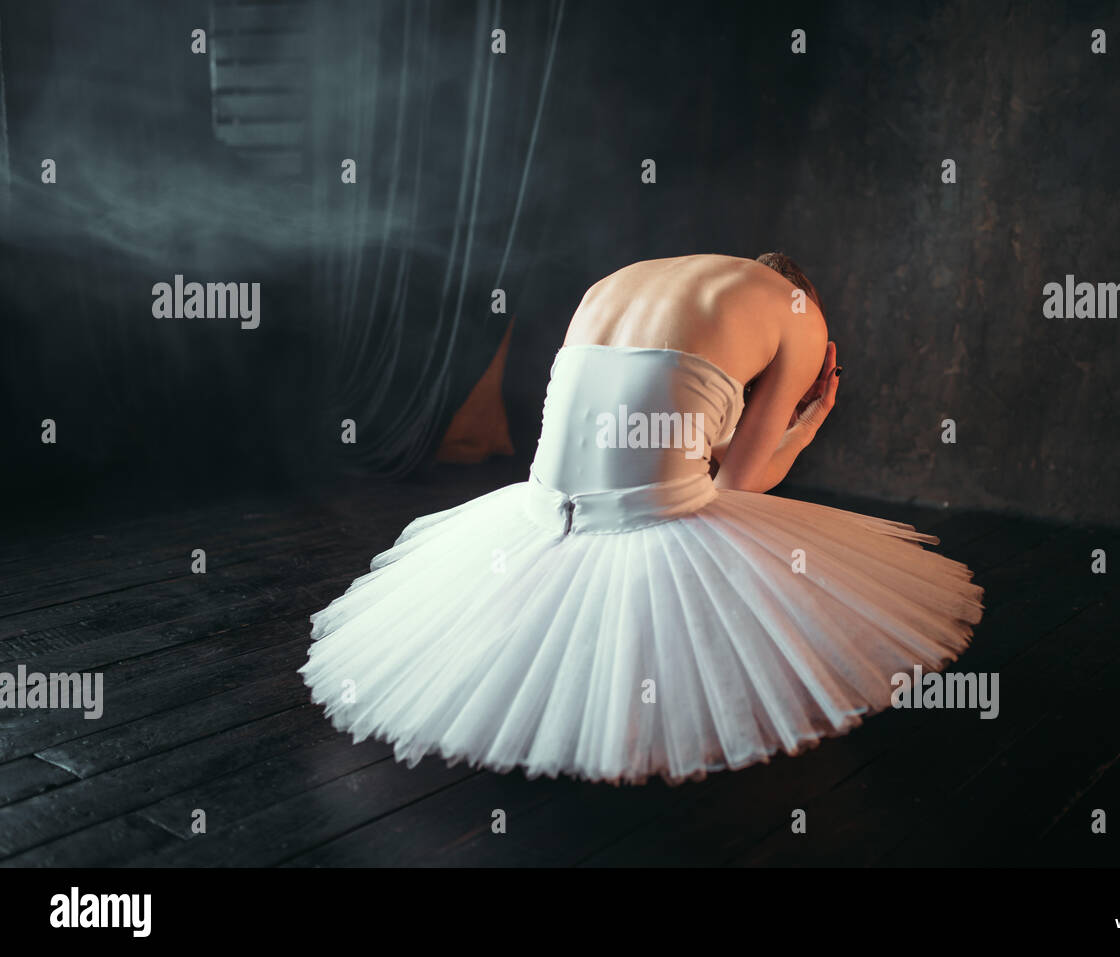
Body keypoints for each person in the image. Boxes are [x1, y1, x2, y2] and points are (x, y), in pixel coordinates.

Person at [301, 253, 984, 785]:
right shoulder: (805, 317)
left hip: (546, 495)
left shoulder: (641, 281)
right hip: (649, 501)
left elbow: (667, 424)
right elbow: (741, 484)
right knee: (740, 532)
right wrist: (808, 424)